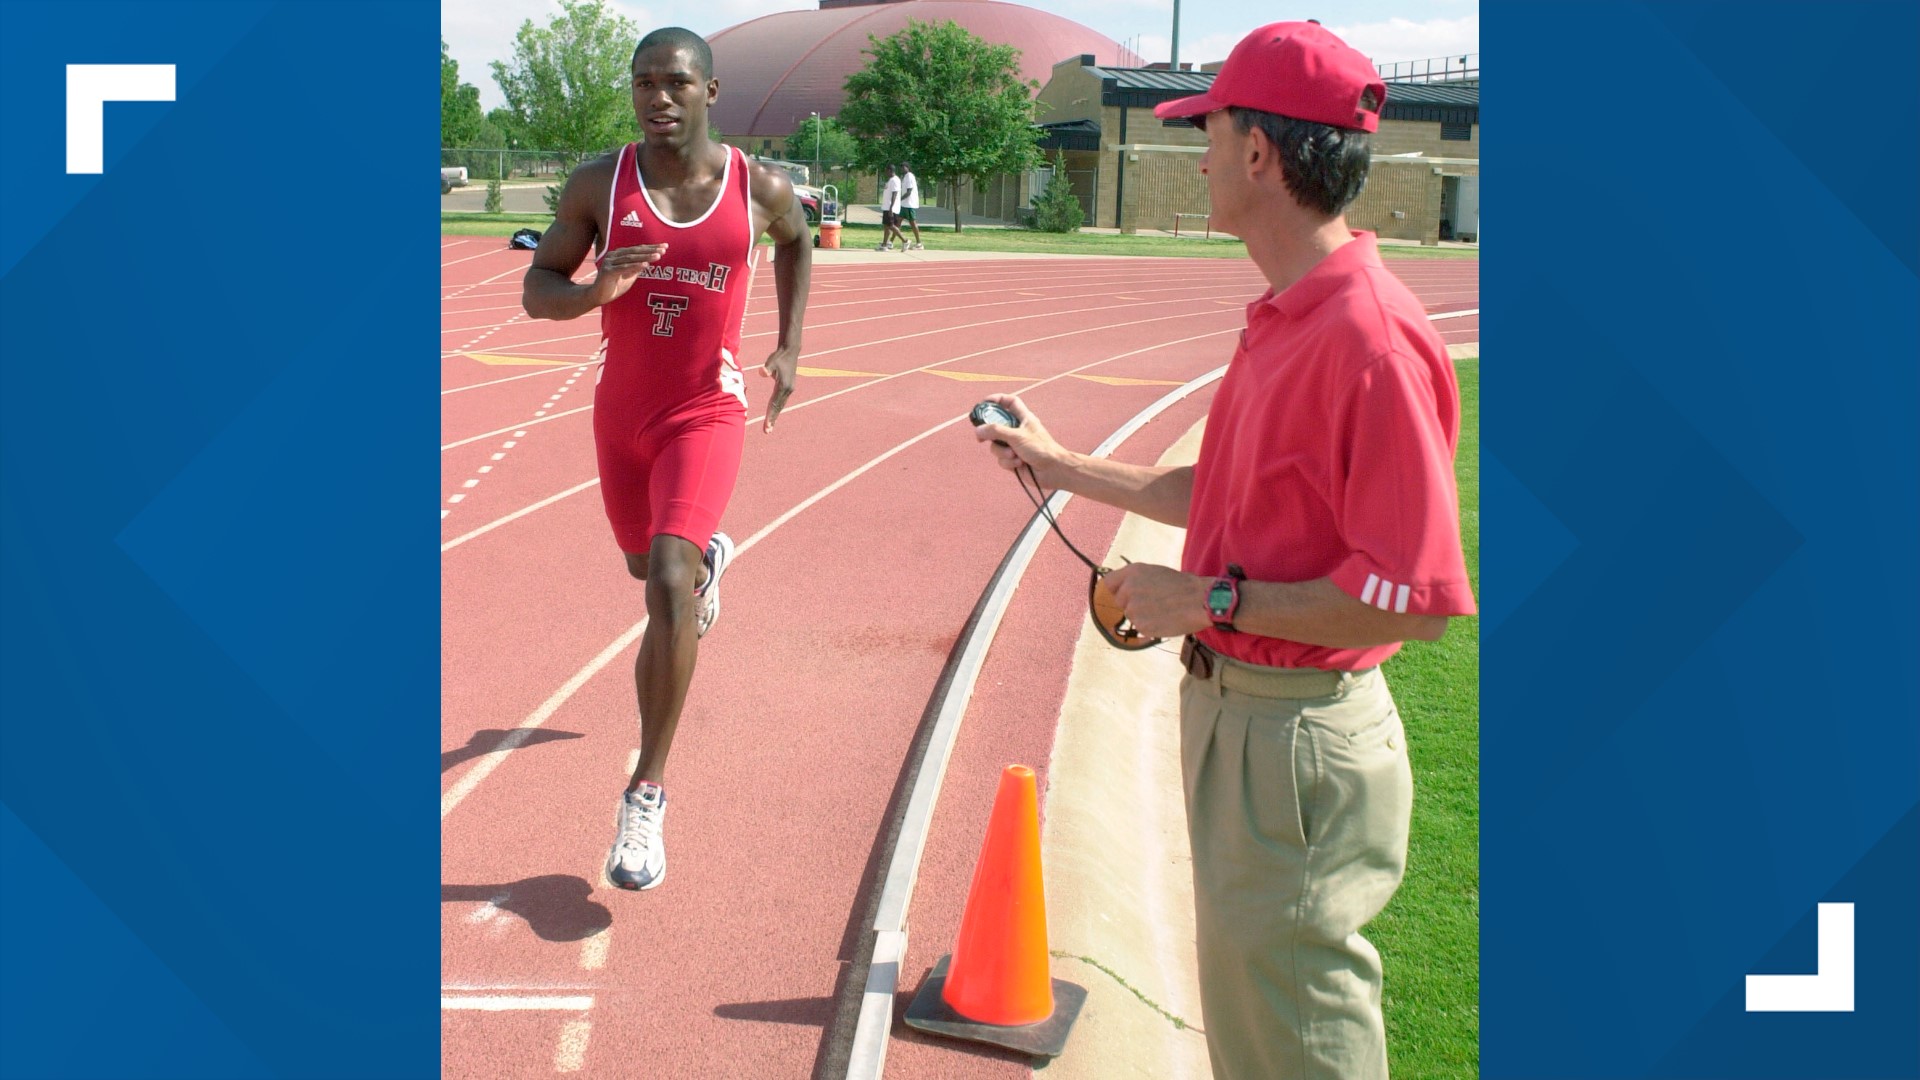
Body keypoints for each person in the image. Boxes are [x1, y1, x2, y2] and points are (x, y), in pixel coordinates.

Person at [974, 21, 1474, 1080]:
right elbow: (1215, 492)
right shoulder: (1292, 314)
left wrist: (1205, 599)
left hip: (1291, 745)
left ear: (1259, 155)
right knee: (1258, 1027)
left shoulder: (1368, 342)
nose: (1195, 155)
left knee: (1296, 1035)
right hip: (1242, 725)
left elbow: (1407, 603)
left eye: (1208, 131)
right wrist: (1060, 465)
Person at [521, 26, 811, 892]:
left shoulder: (755, 187)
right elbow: (537, 291)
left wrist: (790, 346)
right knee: (644, 563)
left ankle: (645, 793)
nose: (658, 98)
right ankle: (703, 561)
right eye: (644, 83)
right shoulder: (597, 185)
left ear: (711, 93)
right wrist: (594, 292)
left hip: (704, 408)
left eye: (676, 83)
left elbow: (797, 240)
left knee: (669, 582)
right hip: (624, 415)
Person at [876, 164, 904, 251]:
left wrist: (891, 208)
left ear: (890, 170)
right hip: (887, 207)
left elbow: (894, 194)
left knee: (890, 225)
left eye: (886, 171)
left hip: (890, 208)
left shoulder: (895, 180)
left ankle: (905, 240)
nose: (885, 173)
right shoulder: (890, 180)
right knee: (886, 226)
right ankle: (884, 245)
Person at [897, 162, 923, 250]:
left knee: (912, 223)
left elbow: (909, 192)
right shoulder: (905, 177)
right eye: (901, 168)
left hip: (909, 204)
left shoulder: (909, 176)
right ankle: (890, 242)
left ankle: (919, 243)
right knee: (898, 222)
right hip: (904, 204)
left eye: (904, 167)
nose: (902, 169)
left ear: (908, 167)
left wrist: (898, 199)